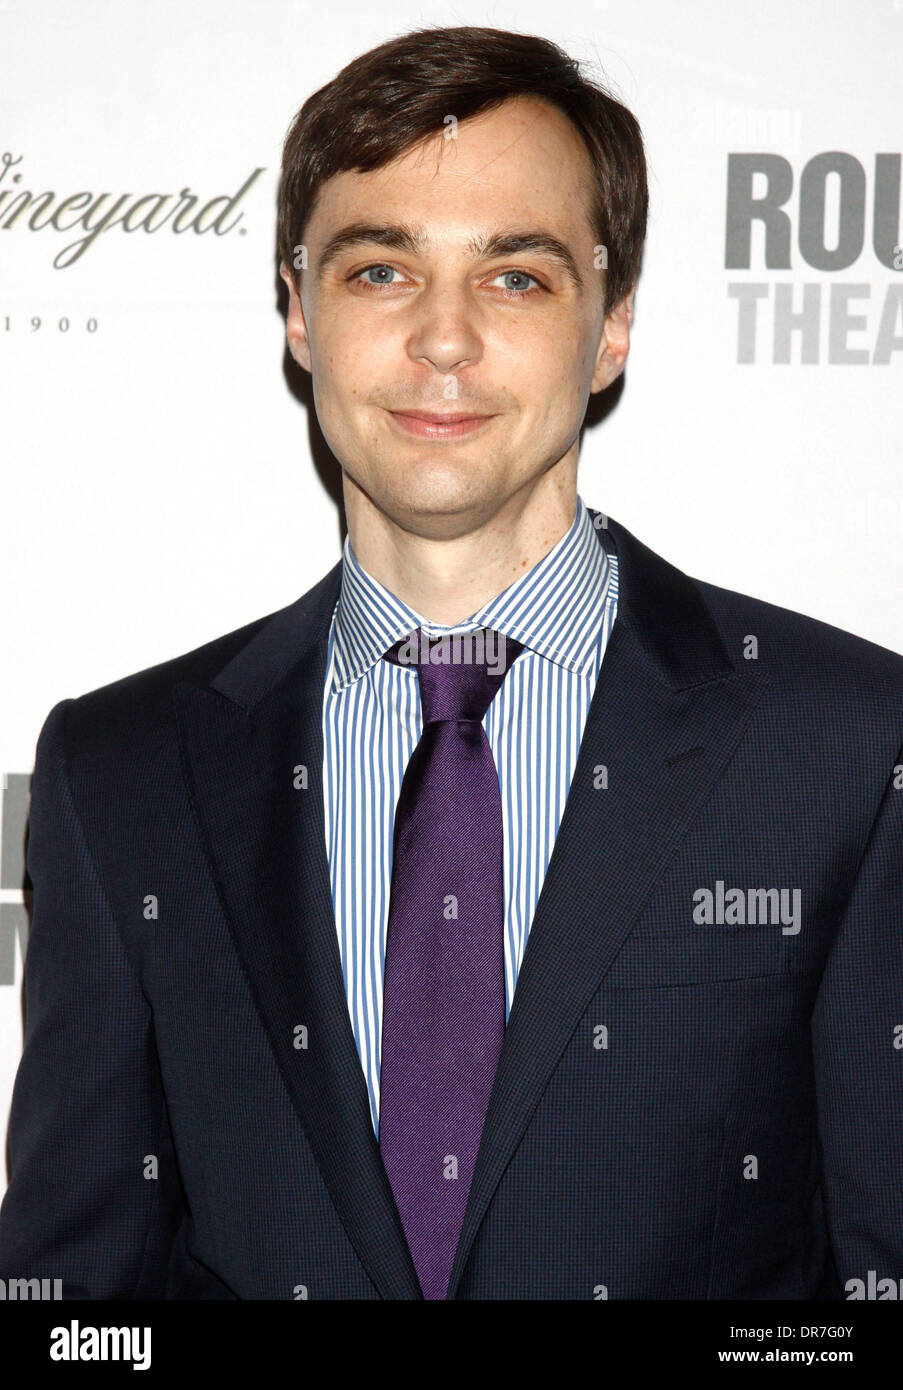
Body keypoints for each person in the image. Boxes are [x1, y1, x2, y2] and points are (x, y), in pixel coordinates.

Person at [1, 25, 901, 1301]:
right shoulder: (122, 772)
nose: (443, 340)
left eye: (517, 278)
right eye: (380, 271)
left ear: (611, 330)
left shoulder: (848, 747)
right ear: (299, 314)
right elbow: (76, 1313)